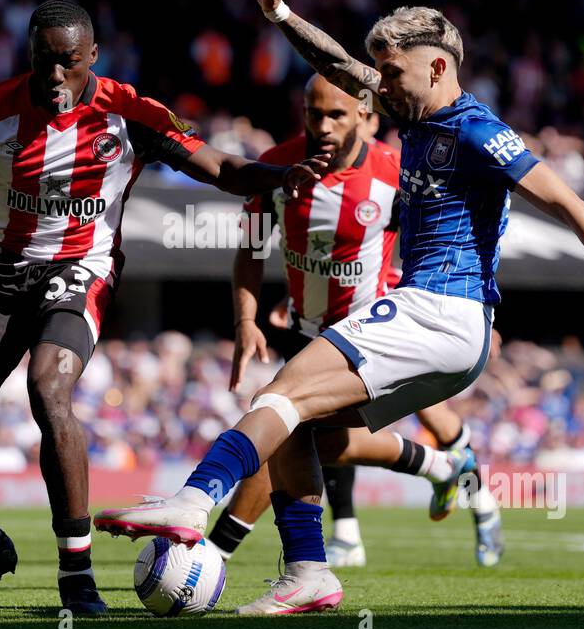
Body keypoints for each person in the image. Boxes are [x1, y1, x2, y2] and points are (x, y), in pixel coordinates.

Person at [95, 0, 584, 615]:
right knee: (303, 428)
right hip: (443, 323)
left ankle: (192, 504)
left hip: (441, 309)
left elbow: (567, 202)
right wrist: (280, 11)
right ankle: (310, 573)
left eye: (392, 74)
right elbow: (338, 65)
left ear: (437, 66)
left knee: (281, 392)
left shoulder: (482, 132)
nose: (380, 86)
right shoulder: (415, 112)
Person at [0, 0, 324, 614]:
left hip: (83, 271)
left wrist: (279, 175)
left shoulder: (129, 111)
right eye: (42, 62)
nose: (55, 77)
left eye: (68, 63)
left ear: (92, 58)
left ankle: (76, 575)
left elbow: (217, 166)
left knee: (48, 388)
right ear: (26, 54)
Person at [210, 73, 502, 570]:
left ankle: (216, 551)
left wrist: (466, 304)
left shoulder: (395, 174)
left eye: (336, 114)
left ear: (367, 119)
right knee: (309, 435)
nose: (321, 126)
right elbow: (253, 248)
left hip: (372, 331)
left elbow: (440, 242)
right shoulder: (277, 166)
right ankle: (431, 475)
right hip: (306, 328)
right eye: (312, 113)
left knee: (287, 427)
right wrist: (248, 319)